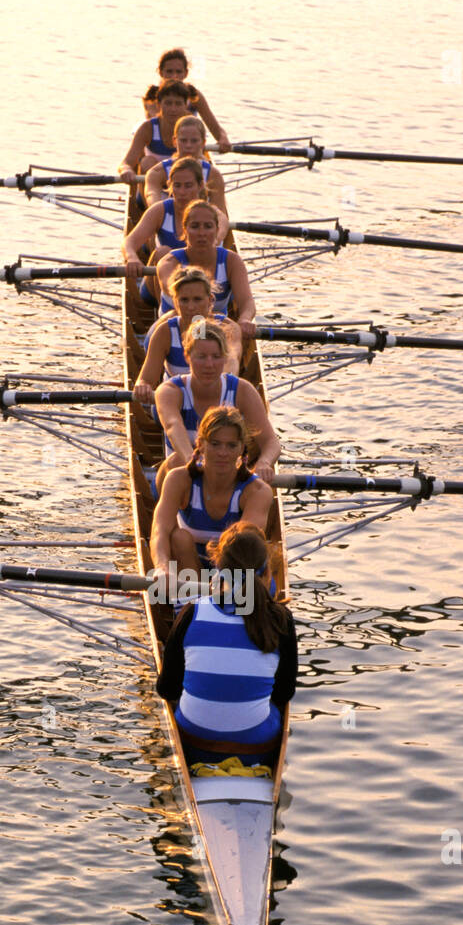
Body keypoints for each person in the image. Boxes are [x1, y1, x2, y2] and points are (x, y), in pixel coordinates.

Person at [156, 520, 297, 769]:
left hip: (193, 742)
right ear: (267, 573)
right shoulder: (281, 619)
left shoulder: (192, 612)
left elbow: (167, 689)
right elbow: (284, 694)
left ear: (219, 569)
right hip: (257, 748)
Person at [150, 407, 272, 578]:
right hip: (189, 571)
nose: (223, 453)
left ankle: (200, 601)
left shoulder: (258, 491)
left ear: (242, 449)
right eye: (215, 444)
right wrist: (161, 566)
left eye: (231, 445)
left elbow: (244, 550)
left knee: (239, 541)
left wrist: (219, 588)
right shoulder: (179, 479)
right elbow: (159, 530)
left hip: (236, 571)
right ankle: (191, 598)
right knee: (179, 537)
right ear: (200, 444)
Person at [152, 320, 278, 484]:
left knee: (258, 490)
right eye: (201, 357)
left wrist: (264, 462)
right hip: (183, 480)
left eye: (216, 357)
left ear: (225, 358)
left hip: (225, 479)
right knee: (176, 460)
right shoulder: (169, 391)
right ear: (187, 356)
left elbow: (271, 441)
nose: (209, 365)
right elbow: (173, 426)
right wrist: (195, 462)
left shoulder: (242, 390)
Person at [133, 267, 241, 394]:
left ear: (210, 300)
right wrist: (142, 387)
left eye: (197, 299)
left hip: (215, 401)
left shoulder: (228, 328)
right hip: (172, 402)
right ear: (175, 302)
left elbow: (231, 366)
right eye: (184, 300)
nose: (191, 307)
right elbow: (145, 379)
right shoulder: (165, 331)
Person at [156, 200, 255, 332]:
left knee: (225, 333)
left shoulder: (232, 261)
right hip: (173, 330)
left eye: (208, 226)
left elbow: (247, 302)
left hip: (214, 332)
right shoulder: (169, 263)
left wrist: (245, 319)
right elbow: (184, 303)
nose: (201, 233)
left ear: (217, 230)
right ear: (185, 230)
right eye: (195, 226)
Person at [141, 48, 231, 152]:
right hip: (159, 149)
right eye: (169, 72)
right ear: (161, 72)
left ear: (186, 73)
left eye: (178, 72)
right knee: (146, 163)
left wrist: (223, 139)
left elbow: (215, 127)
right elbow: (166, 122)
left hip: (187, 146)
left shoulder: (195, 96)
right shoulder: (152, 97)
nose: (174, 77)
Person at [144, 115, 228, 214]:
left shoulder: (213, 175)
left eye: (194, 141)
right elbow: (151, 196)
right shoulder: (157, 172)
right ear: (175, 141)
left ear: (203, 143)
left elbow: (220, 215)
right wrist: (157, 213)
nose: (188, 146)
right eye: (183, 140)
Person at [118, 80, 192, 180]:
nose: (173, 109)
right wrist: (126, 170)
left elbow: (200, 160)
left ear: (185, 105)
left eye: (178, 104)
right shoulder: (147, 128)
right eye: (168, 103)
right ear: (159, 105)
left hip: (182, 187)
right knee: (147, 161)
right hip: (151, 188)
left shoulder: (192, 127)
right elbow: (126, 163)